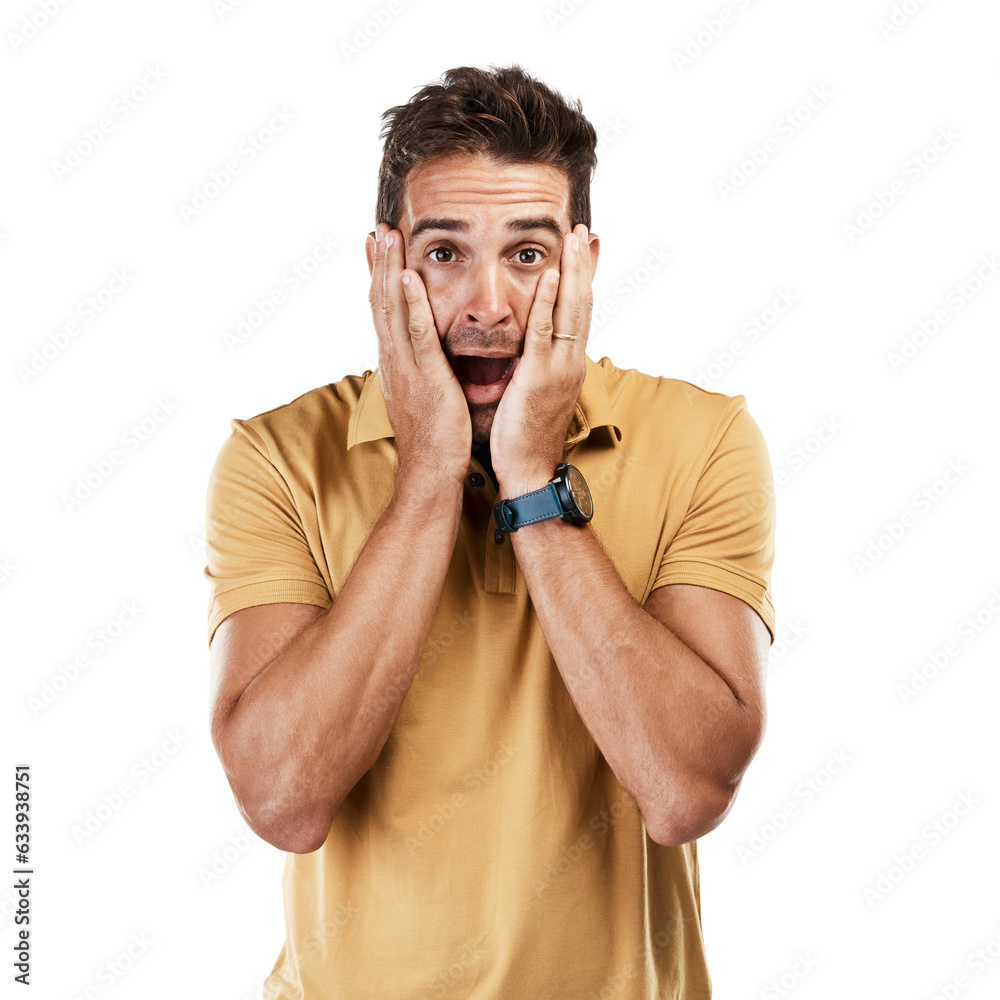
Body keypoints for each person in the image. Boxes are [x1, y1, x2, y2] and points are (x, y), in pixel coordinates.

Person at [204, 63, 777, 999]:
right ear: (386, 264)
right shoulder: (277, 457)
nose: (485, 308)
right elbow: (281, 800)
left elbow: (685, 793)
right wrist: (428, 473)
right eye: (442, 254)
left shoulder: (703, 439)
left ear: (582, 264)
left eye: (526, 254)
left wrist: (531, 480)